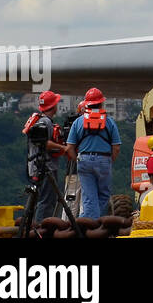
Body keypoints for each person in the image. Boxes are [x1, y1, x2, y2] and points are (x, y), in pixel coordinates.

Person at [65, 87, 120, 219]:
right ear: (101, 103)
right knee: (103, 195)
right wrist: (109, 160)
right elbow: (116, 147)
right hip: (104, 160)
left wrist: (77, 159)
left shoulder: (78, 122)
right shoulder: (110, 121)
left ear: (87, 104)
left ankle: (89, 224)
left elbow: (69, 147)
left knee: (89, 196)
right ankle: (98, 224)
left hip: (84, 160)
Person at [21, 90, 65, 222]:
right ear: (54, 106)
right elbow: (45, 143)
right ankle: (41, 227)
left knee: (41, 200)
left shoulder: (38, 121)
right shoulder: (46, 122)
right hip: (46, 167)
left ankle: (36, 225)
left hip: (35, 166)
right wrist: (63, 147)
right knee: (46, 201)